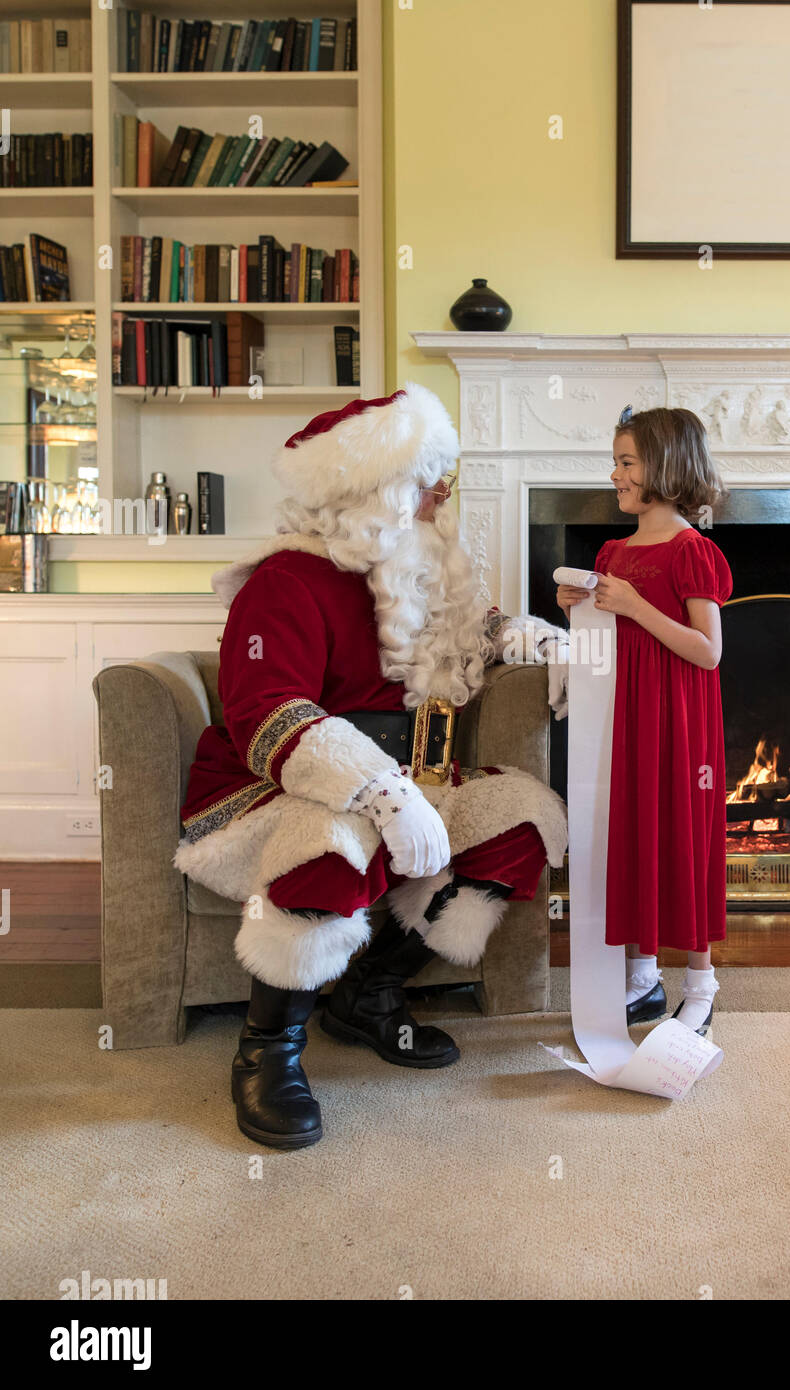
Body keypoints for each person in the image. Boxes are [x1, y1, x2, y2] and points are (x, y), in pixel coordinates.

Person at [175, 384, 568, 1149]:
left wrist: (549, 645)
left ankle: (368, 990)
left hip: (410, 781)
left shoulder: (414, 570)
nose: (441, 494)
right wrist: (377, 791)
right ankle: (268, 1048)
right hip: (282, 786)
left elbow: (480, 635)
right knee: (333, 843)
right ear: (374, 491)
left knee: (524, 821)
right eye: (427, 479)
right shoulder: (283, 582)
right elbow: (265, 716)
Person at [555, 406, 731, 1034]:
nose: (615, 474)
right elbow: (605, 638)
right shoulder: (613, 551)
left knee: (682, 834)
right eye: (617, 462)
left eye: (626, 462)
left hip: (681, 723)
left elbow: (707, 651)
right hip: (622, 719)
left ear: (662, 465)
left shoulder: (693, 551)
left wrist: (633, 605)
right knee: (631, 832)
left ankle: (702, 983)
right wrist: (581, 604)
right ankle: (643, 977)